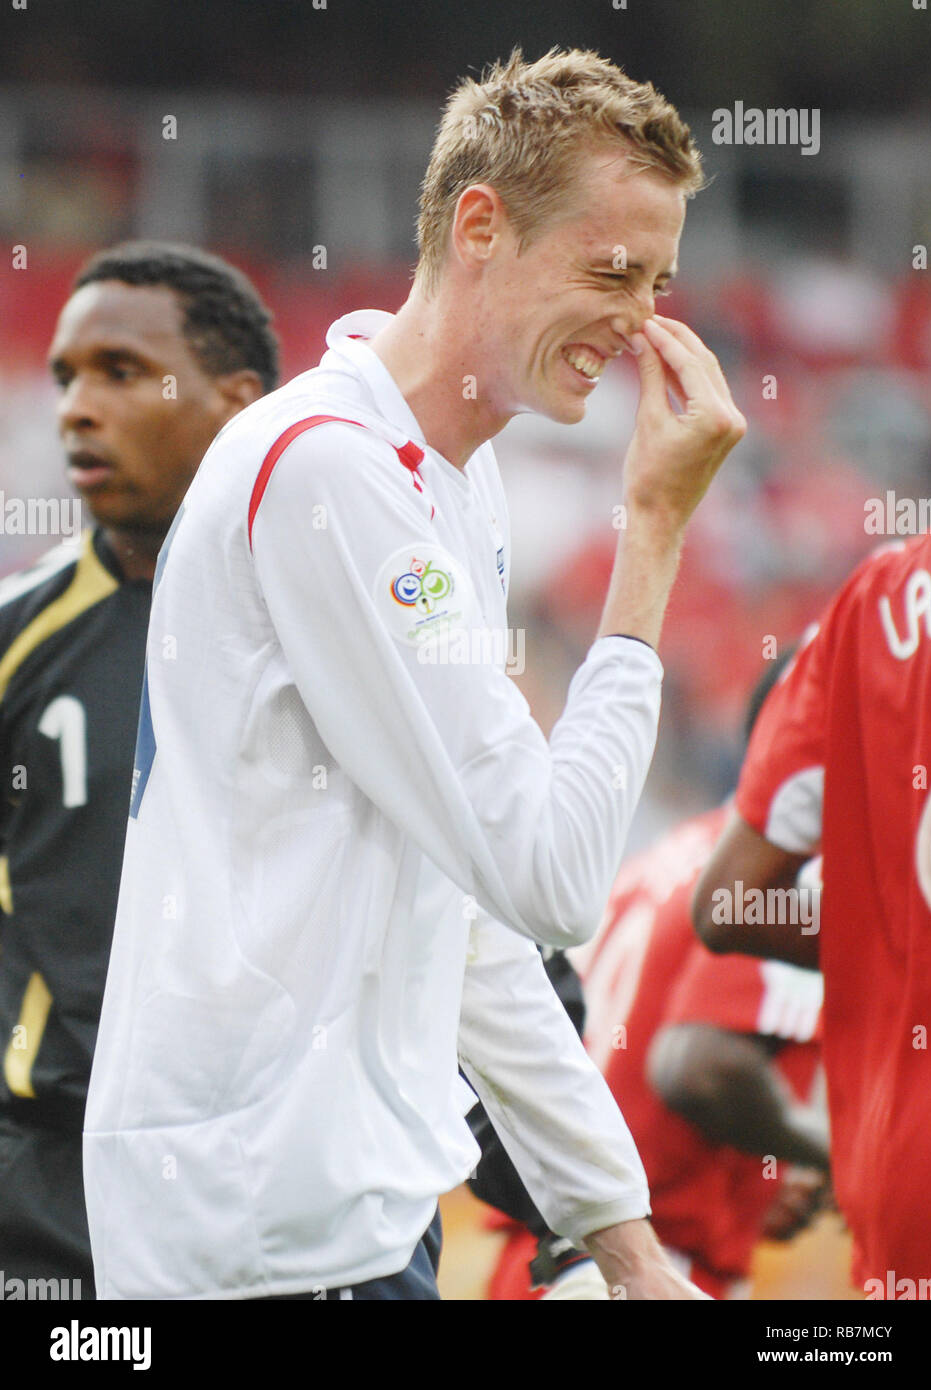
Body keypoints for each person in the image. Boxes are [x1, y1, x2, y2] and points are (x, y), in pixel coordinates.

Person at [84, 48, 746, 1300]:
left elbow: (473, 921)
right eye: (613, 271)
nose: (642, 321)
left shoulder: (444, 478)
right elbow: (548, 881)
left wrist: (621, 1237)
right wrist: (650, 534)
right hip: (258, 1220)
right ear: (479, 225)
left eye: (661, 281)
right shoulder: (336, 471)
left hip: (346, 1201)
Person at [0, 241, 277, 1296]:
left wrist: (565, 1214)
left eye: (120, 372)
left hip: (284, 1180)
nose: (75, 405)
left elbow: (476, 913)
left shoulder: (337, 633)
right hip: (50, 1193)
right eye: (66, 375)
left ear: (237, 399)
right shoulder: (18, 643)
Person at [475, 661, 830, 1301]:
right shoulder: (783, 880)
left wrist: (760, 1174)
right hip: (648, 1262)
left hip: (550, 1252)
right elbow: (702, 1068)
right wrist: (840, 1156)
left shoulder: (669, 856)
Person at [692, 530, 931, 1297]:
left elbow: (727, 903)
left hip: (902, 1170)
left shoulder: (879, 594)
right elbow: (695, 1059)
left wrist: (887, 935)